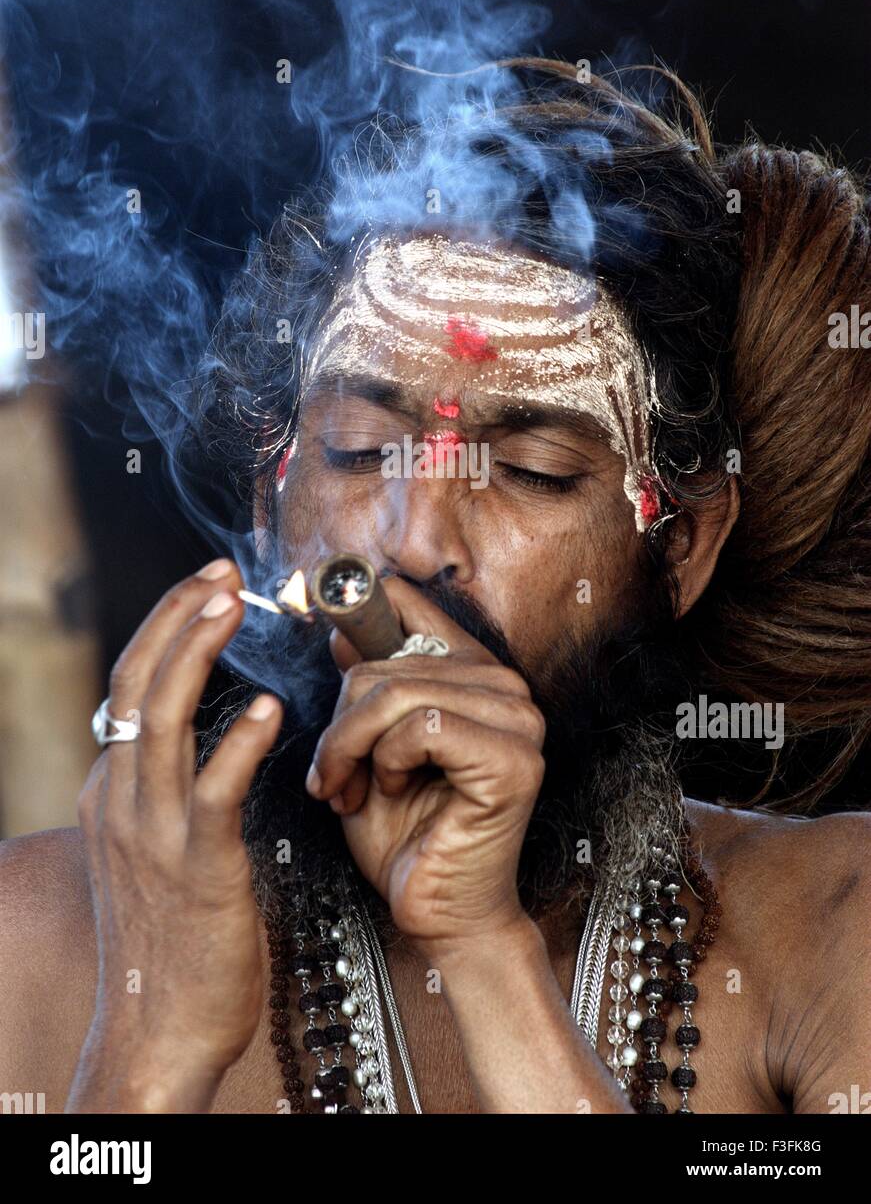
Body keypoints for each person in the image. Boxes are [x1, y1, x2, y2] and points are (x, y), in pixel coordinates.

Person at [1, 60, 869, 1115]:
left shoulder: (837, 920)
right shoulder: (32, 943)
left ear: (679, 544)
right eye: (361, 452)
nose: (416, 544)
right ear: (270, 506)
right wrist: (149, 1051)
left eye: (531, 471)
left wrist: (485, 947)